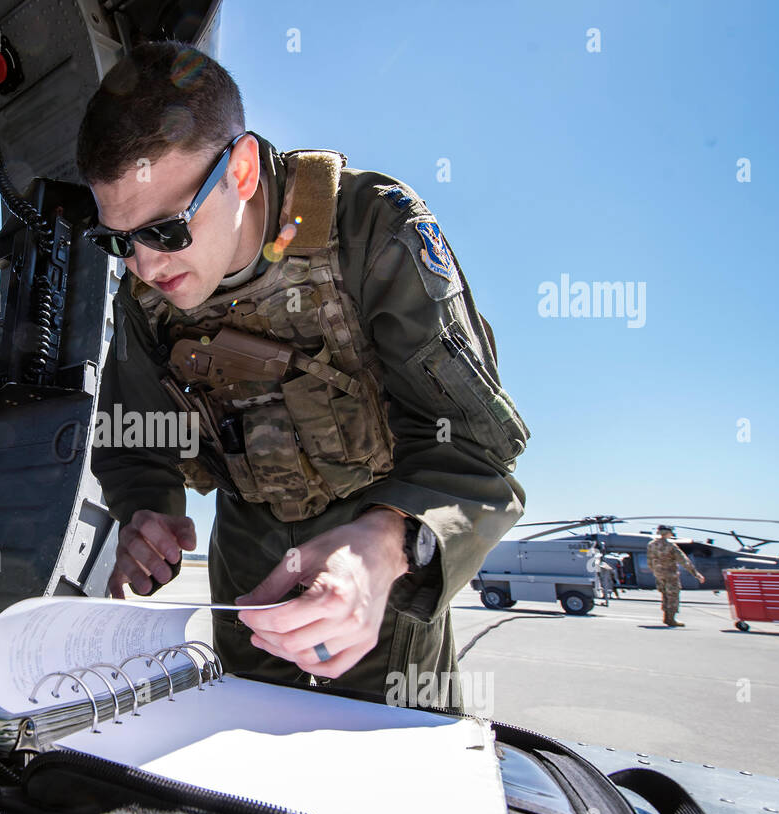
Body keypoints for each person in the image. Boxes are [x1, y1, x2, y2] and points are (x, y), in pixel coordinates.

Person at [78, 42, 528, 708]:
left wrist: (382, 547)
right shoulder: (144, 296)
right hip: (246, 567)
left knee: (394, 786)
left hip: (378, 569)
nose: (144, 266)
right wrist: (146, 512)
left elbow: (473, 444)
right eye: (120, 240)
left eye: (168, 231)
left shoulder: (372, 229)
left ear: (243, 170)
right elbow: (136, 437)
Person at [645, 525, 705, 627]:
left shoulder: (651, 544)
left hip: (659, 574)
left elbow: (649, 561)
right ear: (667, 533)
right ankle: (671, 619)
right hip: (670, 575)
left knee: (665, 595)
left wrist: (655, 571)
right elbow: (684, 561)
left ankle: (666, 617)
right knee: (673, 596)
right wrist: (696, 574)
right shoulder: (670, 546)